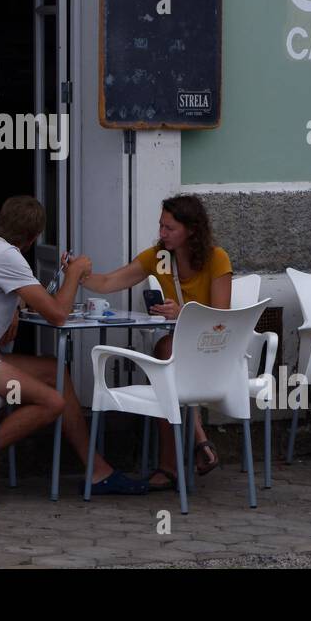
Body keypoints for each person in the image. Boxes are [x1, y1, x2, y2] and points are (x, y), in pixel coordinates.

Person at [0, 195, 149, 506]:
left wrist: (14, 306)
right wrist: (75, 272)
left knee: (56, 373)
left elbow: (13, 292)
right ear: (34, 238)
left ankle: (98, 471)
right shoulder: (7, 258)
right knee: (52, 402)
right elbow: (58, 314)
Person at [81, 194, 233, 490]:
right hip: (179, 357)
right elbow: (111, 282)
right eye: (161, 226)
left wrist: (182, 313)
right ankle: (196, 445)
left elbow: (222, 320)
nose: (162, 234)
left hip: (214, 353)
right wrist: (78, 274)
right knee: (165, 357)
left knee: (164, 354)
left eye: (169, 228)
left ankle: (172, 466)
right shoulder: (159, 257)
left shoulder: (217, 258)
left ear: (191, 230)